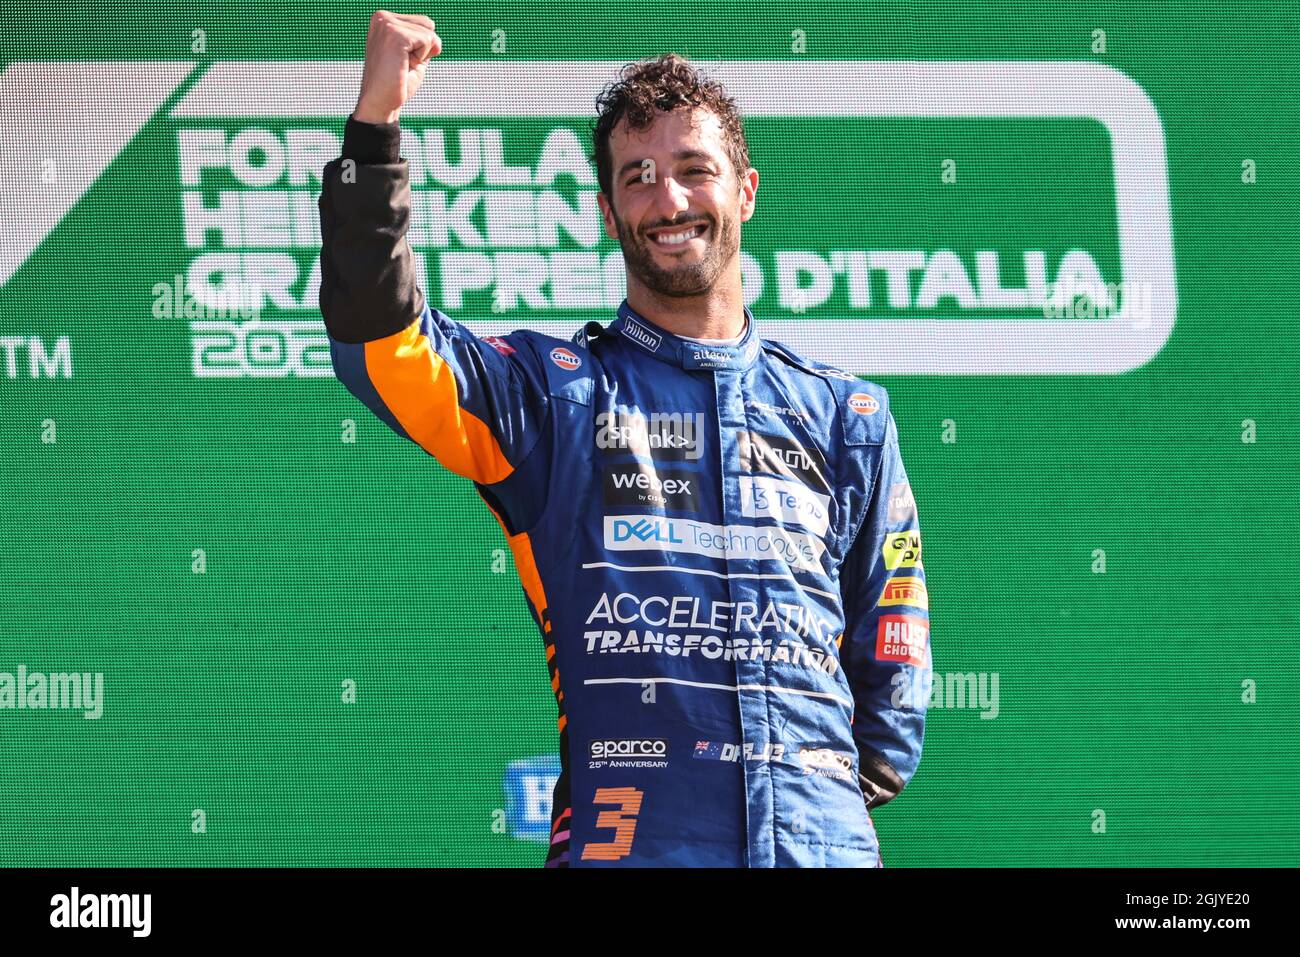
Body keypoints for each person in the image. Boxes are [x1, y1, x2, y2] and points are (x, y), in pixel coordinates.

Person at [319, 10, 931, 867]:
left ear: (745, 189)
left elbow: (892, 667)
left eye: (694, 170)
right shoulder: (553, 394)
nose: (669, 200)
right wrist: (376, 131)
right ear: (609, 212)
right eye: (637, 177)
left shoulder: (847, 415)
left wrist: (808, 799)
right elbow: (383, 345)